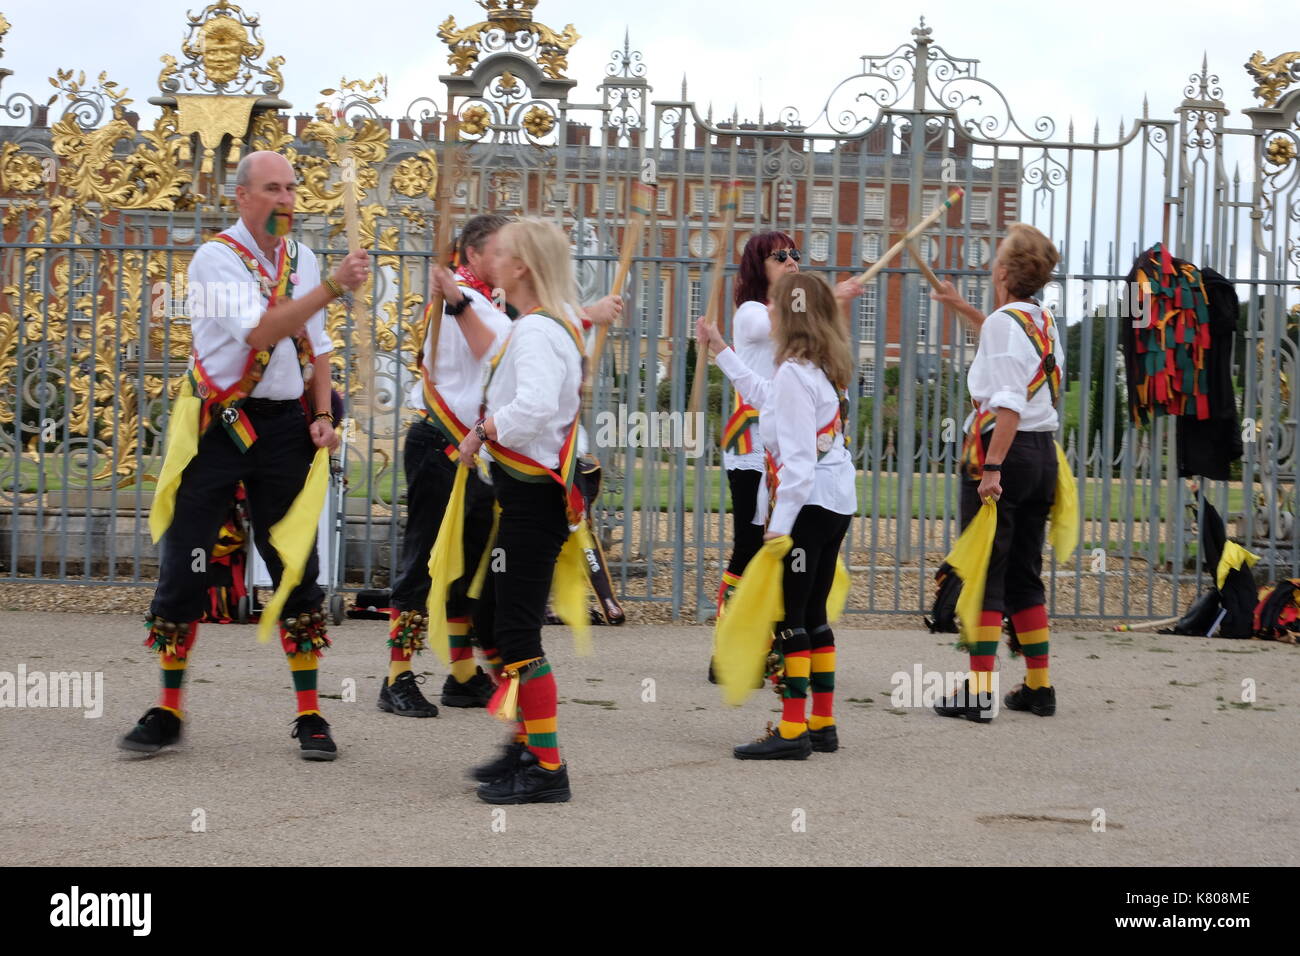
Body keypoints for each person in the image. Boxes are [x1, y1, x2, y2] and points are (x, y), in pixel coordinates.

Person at [118, 150, 370, 760]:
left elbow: (319, 348)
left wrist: (320, 413)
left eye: (291, 189)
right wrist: (334, 286)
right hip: (220, 425)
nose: (286, 200)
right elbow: (261, 332)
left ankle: (311, 715)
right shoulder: (214, 260)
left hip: (285, 428)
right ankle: (168, 709)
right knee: (187, 563)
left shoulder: (302, 258)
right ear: (242, 197)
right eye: (273, 189)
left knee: (294, 565)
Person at [697, 272, 860, 758]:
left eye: (773, 306)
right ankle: (822, 723)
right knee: (813, 613)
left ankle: (792, 731)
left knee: (792, 615)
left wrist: (778, 532)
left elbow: (798, 467)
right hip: (835, 503)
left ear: (789, 315)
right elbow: (766, 398)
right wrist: (722, 349)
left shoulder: (796, 372)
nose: (767, 312)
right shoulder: (824, 366)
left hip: (807, 508)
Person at [454, 218, 588, 804]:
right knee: (488, 617)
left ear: (523, 266)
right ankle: (525, 740)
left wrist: (483, 430)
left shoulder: (536, 332)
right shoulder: (540, 325)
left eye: (502, 253)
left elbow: (533, 406)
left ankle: (548, 767)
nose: (492, 260)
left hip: (534, 496)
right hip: (523, 493)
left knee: (516, 630)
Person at [928, 222, 1064, 721]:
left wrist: (991, 468)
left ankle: (980, 694)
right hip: (1042, 456)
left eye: (996, 258)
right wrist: (959, 305)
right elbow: (1011, 351)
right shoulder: (1037, 320)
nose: (992, 265)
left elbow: (1006, 402)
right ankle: (1038, 687)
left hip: (1004, 453)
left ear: (1004, 271)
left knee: (987, 572)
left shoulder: (1006, 324)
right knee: (1026, 573)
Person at [381, 214, 515, 718]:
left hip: (470, 450)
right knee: (424, 559)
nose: (509, 261)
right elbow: (494, 348)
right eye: (500, 252)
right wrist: (454, 297)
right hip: (438, 441)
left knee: (464, 564)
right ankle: (396, 676)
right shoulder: (460, 297)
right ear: (474, 254)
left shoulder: (479, 299)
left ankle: (461, 675)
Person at [707, 231, 799, 679]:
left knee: (778, 545)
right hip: (750, 445)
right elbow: (782, 325)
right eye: (781, 255)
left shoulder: (792, 308)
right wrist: (826, 296)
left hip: (781, 444)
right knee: (748, 545)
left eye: (795, 254)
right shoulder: (751, 313)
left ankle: (765, 644)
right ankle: (726, 652)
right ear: (758, 265)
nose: (792, 260)